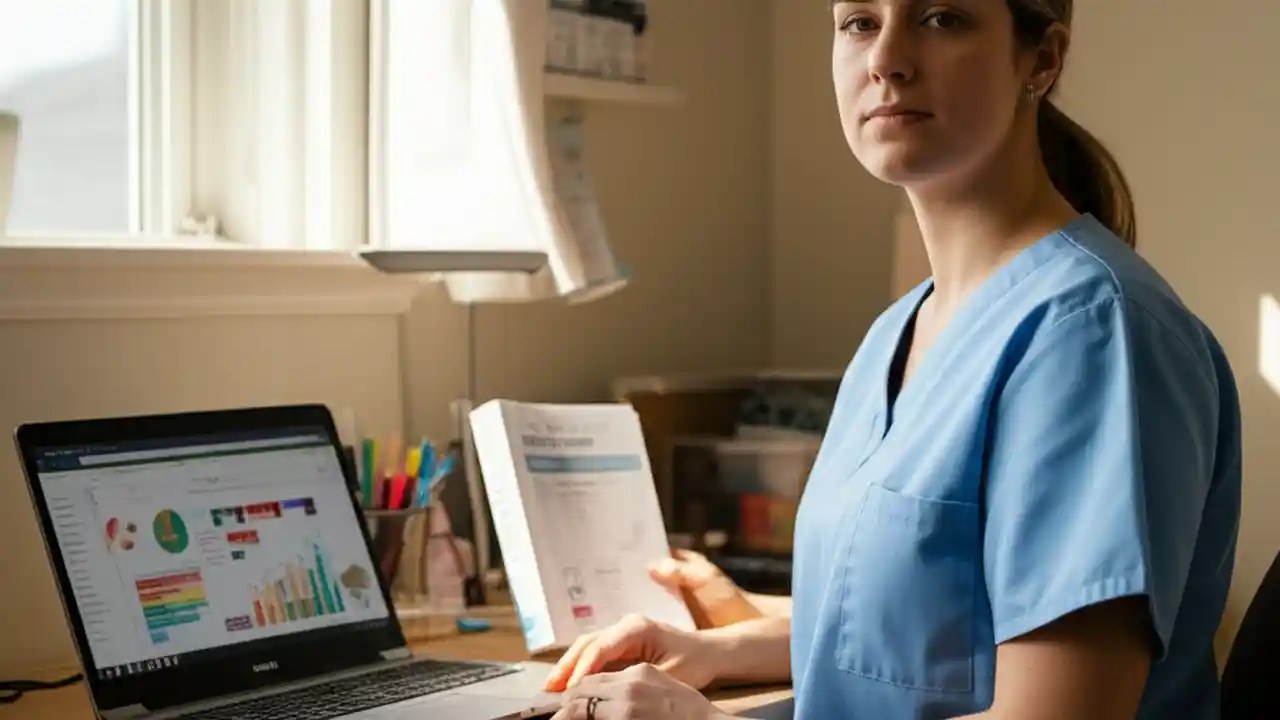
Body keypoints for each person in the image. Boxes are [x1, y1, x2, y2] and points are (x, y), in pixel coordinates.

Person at [545, 0, 1242, 718]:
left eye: (941, 18)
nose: (886, 60)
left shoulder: (1093, 334)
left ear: (1042, 58)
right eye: (859, 23)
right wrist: (721, 651)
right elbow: (923, 635)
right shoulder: (898, 330)